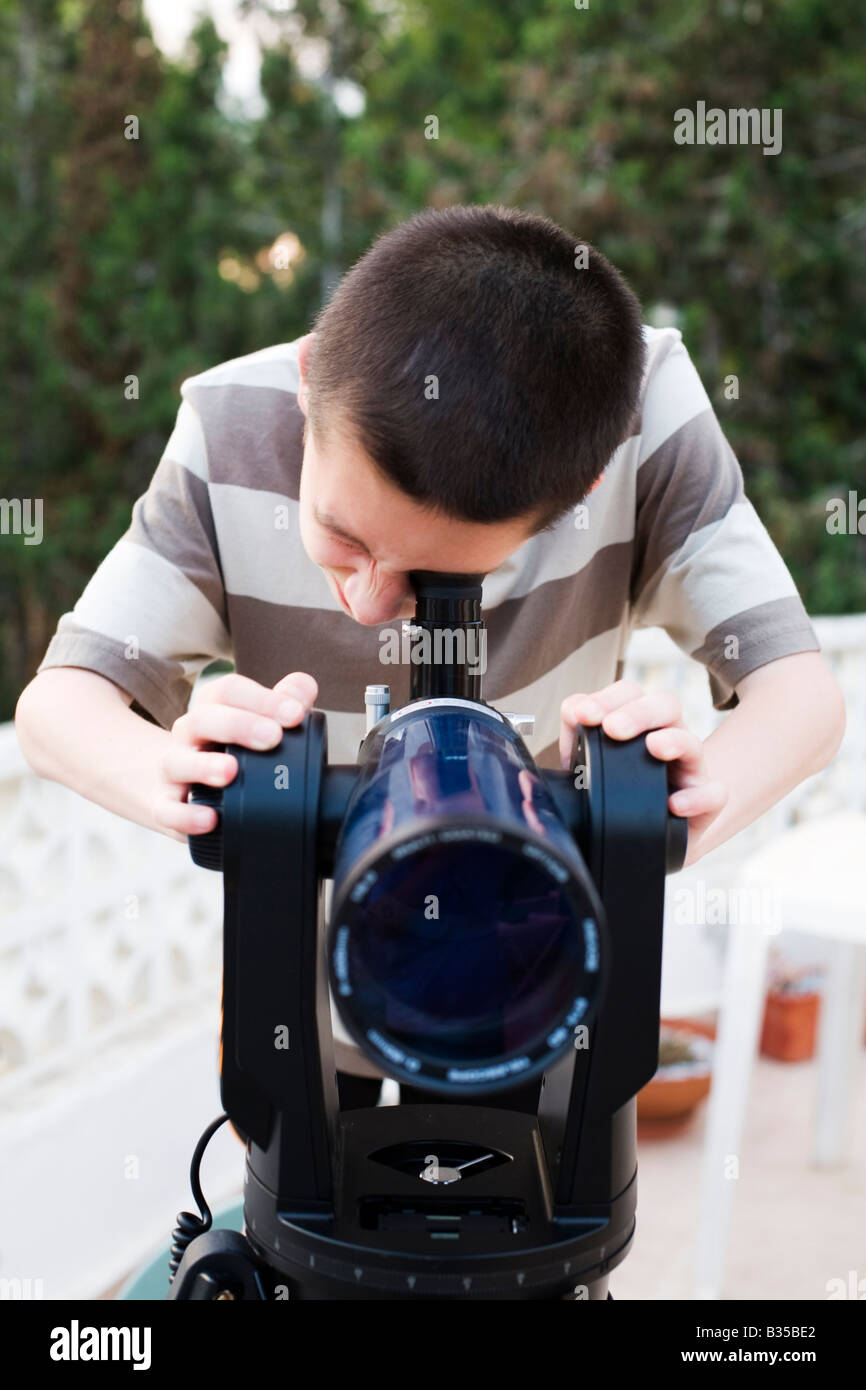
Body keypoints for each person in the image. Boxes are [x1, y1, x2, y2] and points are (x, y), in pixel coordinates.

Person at [14, 203, 845, 1111]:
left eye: (438, 578)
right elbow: (58, 709)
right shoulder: (230, 426)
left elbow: (802, 698)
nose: (372, 605)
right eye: (343, 536)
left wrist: (654, 813)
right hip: (302, 1000)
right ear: (307, 379)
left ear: (587, 485)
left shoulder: (635, 414)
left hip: (536, 984)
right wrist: (184, 777)